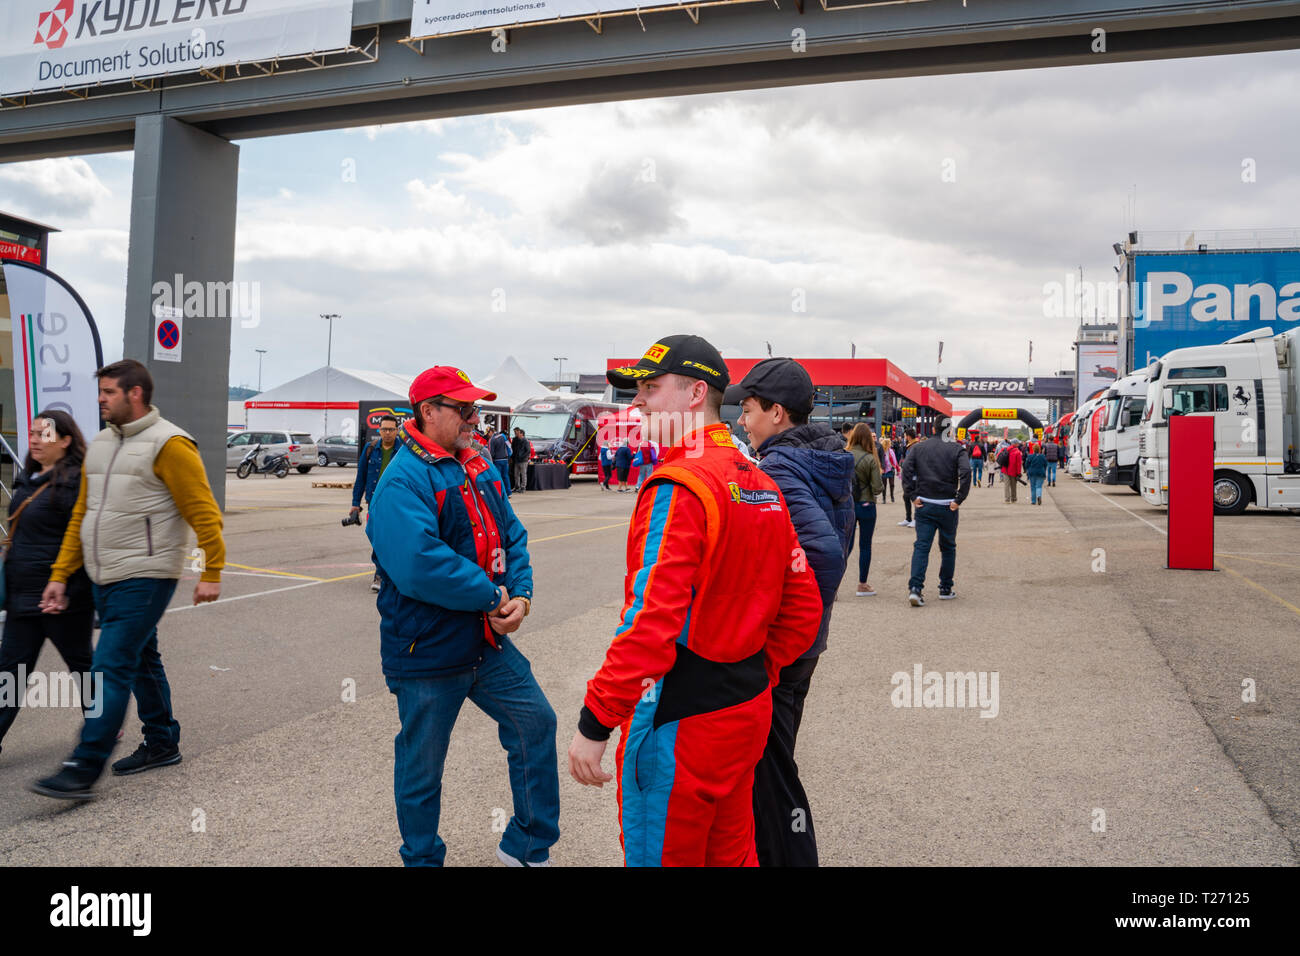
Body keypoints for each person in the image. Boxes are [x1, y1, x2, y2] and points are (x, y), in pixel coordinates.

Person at [569, 334, 823, 867]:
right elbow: (802, 610)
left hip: (681, 722)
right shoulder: (760, 480)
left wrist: (596, 722)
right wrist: (751, 672)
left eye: (650, 388)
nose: (636, 401)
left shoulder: (681, 485)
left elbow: (649, 626)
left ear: (694, 395)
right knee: (732, 856)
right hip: (745, 709)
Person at [367, 366, 558, 867]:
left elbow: (512, 535)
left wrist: (521, 595)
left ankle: (528, 847)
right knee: (422, 768)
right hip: (426, 649)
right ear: (428, 412)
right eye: (465, 409)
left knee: (536, 724)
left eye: (476, 409)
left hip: (484, 642)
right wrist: (492, 598)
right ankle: (423, 859)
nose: (476, 418)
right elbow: (418, 566)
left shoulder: (477, 465)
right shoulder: (402, 479)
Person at [31, 359, 225, 800]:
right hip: (105, 574)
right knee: (141, 659)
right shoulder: (101, 443)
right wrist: (60, 574)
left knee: (110, 667)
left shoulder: (170, 444)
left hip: (147, 574)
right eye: (99, 392)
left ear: (135, 394)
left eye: (108, 392)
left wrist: (211, 570)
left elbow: (203, 512)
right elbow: (83, 513)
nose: (100, 399)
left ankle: (83, 765)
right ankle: (162, 742)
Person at [728, 357, 853, 866]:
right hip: (807, 642)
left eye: (750, 409)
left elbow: (824, 554)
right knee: (773, 761)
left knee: (769, 772)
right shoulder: (821, 457)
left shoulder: (779, 467)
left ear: (777, 413)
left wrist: (784, 636)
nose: (741, 419)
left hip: (785, 648)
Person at [0, 412, 95, 758]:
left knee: (83, 669)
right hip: (23, 595)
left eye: (45, 434)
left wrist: (67, 587)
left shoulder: (77, 482)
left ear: (66, 440)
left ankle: (101, 730)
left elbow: (82, 539)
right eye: (32, 433)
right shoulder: (29, 476)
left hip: (62, 597)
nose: (35, 440)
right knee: (8, 676)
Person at [900, 419, 971, 607]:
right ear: (950, 430)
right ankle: (945, 588)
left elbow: (906, 470)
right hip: (948, 505)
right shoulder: (957, 449)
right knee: (948, 547)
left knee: (922, 546)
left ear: (933, 428)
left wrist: (912, 495)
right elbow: (966, 471)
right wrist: (959, 498)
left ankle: (915, 588)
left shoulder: (918, 448)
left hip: (925, 503)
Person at [353, 414, 401, 592]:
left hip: (397, 504)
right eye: (384, 429)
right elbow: (361, 478)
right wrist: (355, 503)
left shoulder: (403, 450)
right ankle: (380, 574)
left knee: (395, 540)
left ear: (397, 431)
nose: (387, 433)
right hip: (375, 503)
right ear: (379, 430)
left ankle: (391, 574)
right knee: (378, 539)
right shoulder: (370, 449)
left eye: (391, 429)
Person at [845, 424, 884, 597]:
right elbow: (877, 488)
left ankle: (835, 586)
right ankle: (862, 584)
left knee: (846, 546)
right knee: (865, 545)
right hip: (867, 504)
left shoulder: (844, 455)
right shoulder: (870, 458)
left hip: (848, 505)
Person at [896, 428, 918, 526]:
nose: (904, 438)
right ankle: (908, 518)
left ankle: (916, 519)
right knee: (906, 496)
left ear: (908, 436)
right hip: (909, 476)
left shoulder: (915, 446)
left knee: (914, 498)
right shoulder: (911, 446)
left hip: (914, 476)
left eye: (905, 436)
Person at [488, 426, 513, 497]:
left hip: (497, 460)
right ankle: (509, 492)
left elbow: (490, 452)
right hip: (505, 460)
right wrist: (509, 455)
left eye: (488, 433)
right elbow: (509, 447)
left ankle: (501, 493)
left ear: (491, 432)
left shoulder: (491, 440)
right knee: (505, 476)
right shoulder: (503, 436)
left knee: (498, 477)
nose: (488, 435)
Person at [510, 426, 530, 493]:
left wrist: (522, 457)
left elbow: (528, 451)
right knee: (516, 474)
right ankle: (517, 486)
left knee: (523, 474)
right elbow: (514, 449)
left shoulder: (525, 441)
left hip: (523, 460)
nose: (517, 434)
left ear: (522, 434)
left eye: (518, 433)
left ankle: (523, 487)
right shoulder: (516, 440)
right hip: (517, 460)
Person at [879, 437, 898, 504]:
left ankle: (892, 496)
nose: (890, 444)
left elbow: (895, 460)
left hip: (891, 469)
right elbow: (879, 460)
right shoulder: (881, 451)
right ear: (886, 444)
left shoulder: (891, 451)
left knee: (892, 484)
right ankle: (884, 498)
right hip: (884, 469)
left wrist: (897, 469)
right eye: (889, 443)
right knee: (884, 485)